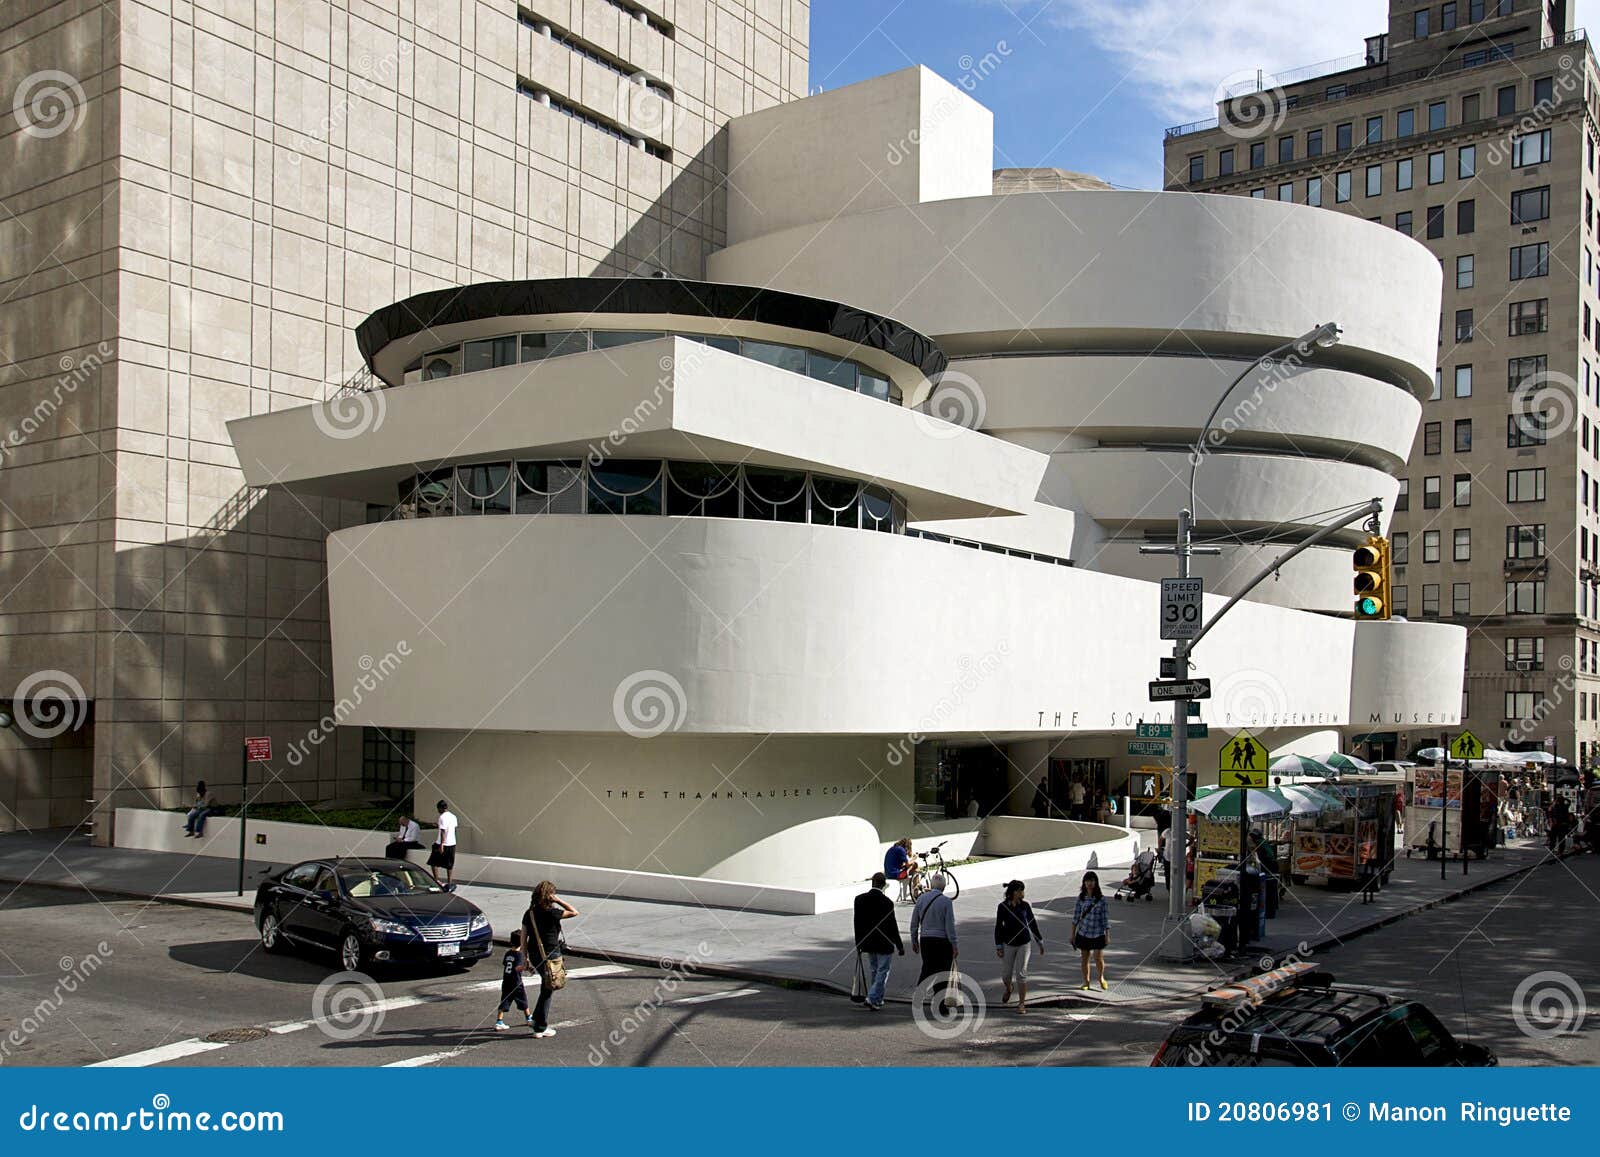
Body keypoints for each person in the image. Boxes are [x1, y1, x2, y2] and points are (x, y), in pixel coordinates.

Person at [521, 880, 579, 1038]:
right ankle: (540, 1027)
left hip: (535, 954)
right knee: (549, 988)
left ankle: (536, 1020)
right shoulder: (553, 913)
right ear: (550, 896)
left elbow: (524, 937)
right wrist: (559, 900)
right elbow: (574, 912)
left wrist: (524, 958)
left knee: (545, 986)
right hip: (551, 955)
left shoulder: (529, 913)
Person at [852, 872, 904, 1010]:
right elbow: (892, 925)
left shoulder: (859, 900)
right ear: (884, 885)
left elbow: (857, 923)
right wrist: (899, 945)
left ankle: (878, 1000)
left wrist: (859, 943)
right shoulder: (887, 903)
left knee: (875, 970)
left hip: (868, 941)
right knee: (883, 971)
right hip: (884, 942)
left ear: (872, 883)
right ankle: (872, 997)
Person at [993, 880, 1044, 1014]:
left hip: (1024, 943)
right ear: (1014, 892)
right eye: (1021, 890)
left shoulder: (1025, 906)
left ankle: (1022, 1004)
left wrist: (1039, 941)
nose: (1023, 893)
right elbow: (998, 927)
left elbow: (1032, 923)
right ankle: (1009, 988)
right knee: (1006, 974)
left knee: (1021, 974)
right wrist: (998, 945)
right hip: (1008, 943)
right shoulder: (1003, 907)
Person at [909, 872, 958, 1007]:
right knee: (942, 972)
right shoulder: (946, 902)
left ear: (931, 885)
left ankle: (918, 996)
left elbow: (914, 922)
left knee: (927, 968)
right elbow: (950, 925)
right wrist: (954, 944)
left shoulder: (921, 899)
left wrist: (914, 940)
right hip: (942, 941)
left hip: (926, 940)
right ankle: (940, 1004)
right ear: (943, 887)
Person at [1071, 870, 1110, 991]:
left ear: (1096, 883)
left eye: (1092, 881)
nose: (1090, 883)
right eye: (1087, 881)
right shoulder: (1081, 898)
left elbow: (1105, 918)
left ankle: (1101, 978)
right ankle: (1086, 981)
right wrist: (1072, 934)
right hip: (1084, 933)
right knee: (1085, 958)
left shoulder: (1101, 899)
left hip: (1098, 933)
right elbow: (1076, 917)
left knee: (1098, 957)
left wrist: (1107, 935)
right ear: (1084, 883)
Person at [494, 928, 534, 1031]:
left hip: (506, 980)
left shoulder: (508, 953)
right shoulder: (520, 955)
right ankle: (528, 1018)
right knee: (523, 1000)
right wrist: (526, 967)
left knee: (505, 1000)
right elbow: (517, 968)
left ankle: (499, 1021)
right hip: (516, 982)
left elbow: (505, 964)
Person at [428, 799, 459, 886]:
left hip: (441, 843)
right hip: (452, 843)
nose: (438, 811)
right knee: (449, 863)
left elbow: (443, 831)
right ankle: (449, 882)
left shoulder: (442, 817)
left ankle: (436, 880)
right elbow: (453, 828)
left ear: (440, 808)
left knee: (433, 862)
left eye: (438, 809)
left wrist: (441, 844)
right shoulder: (453, 816)